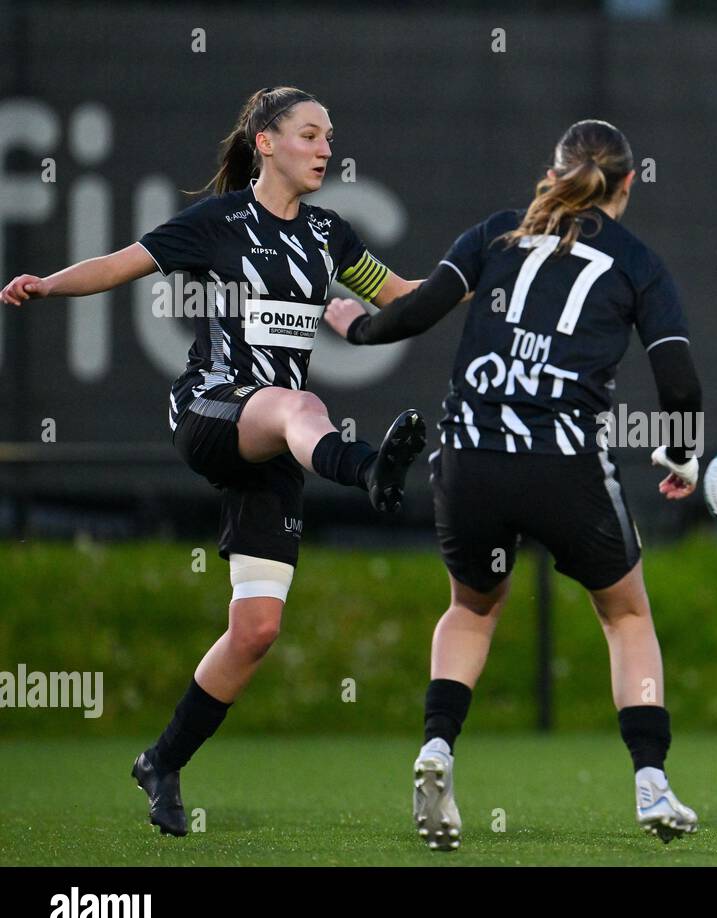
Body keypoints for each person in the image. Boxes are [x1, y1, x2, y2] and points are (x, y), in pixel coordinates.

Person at [1, 86, 428, 835]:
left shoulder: (329, 235)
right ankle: (370, 469)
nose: (326, 147)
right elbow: (119, 264)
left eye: (330, 135)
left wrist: (493, 276)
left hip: (274, 448)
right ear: (266, 142)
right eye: (309, 133)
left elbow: (399, 299)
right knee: (300, 405)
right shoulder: (220, 220)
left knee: (258, 629)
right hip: (212, 410)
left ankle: (161, 761)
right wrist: (45, 284)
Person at [323, 119, 703, 850]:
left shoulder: (497, 233)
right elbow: (679, 380)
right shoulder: (637, 263)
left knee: (471, 608)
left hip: (469, 456)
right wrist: (681, 454)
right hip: (563, 463)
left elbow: (419, 309)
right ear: (626, 185)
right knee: (626, 617)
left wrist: (355, 328)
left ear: (552, 173)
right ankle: (651, 778)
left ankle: (437, 748)